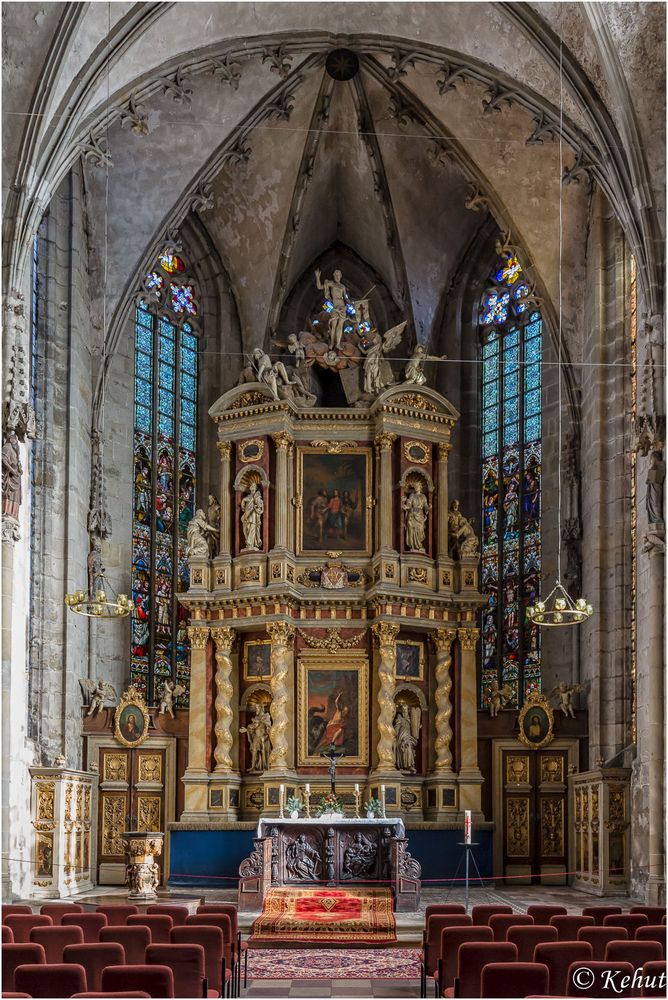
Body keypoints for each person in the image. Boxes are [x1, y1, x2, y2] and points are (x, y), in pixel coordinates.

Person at [315, 268, 349, 349]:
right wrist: (317, 277)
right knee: (334, 326)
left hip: (342, 306)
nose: (337, 276)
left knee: (340, 326)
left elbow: (345, 298)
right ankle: (332, 343)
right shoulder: (331, 284)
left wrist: (351, 304)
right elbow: (319, 287)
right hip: (335, 307)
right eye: (336, 275)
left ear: (341, 276)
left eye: (339, 275)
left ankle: (338, 344)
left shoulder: (343, 286)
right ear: (333, 276)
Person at [240, 701, 272, 772]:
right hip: (257, 737)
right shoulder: (256, 718)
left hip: (264, 737)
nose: (256, 710)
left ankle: (265, 766)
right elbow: (252, 727)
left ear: (261, 709)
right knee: (254, 751)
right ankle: (253, 766)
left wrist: (263, 723)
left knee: (263, 751)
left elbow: (269, 727)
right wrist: (246, 730)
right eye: (256, 709)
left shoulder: (266, 716)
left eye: (257, 709)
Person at [403, 482, 430, 552]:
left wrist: (427, 508)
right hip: (412, 514)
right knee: (410, 526)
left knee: (420, 529)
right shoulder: (412, 495)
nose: (416, 487)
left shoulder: (423, 496)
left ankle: (419, 545)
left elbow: (425, 505)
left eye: (418, 486)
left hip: (420, 515)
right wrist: (406, 506)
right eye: (415, 486)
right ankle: (413, 546)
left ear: (420, 487)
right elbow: (409, 504)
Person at [394, 704, 417, 772]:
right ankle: (403, 765)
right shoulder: (399, 718)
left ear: (408, 710)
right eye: (403, 710)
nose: (404, 712)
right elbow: (396, 729)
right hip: (401, 737)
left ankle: (409, 765)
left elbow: (414, 729)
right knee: (404, 747)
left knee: (409, 747)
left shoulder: (411, 719)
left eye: (406, 710)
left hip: (409, 737)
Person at [241, 482, 263, 550]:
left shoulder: (257, 496)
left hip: (253, 515)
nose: (252, 486)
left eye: (254, 486)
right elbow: (244, 502)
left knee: (252, 528)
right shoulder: (248, 497)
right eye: (251, 485)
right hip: (247, 514)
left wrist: (257, 506)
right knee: (246, 528)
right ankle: (248, 541)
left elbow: (260, 507)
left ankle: (251, 543)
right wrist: (243, 504)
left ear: (256, 488)